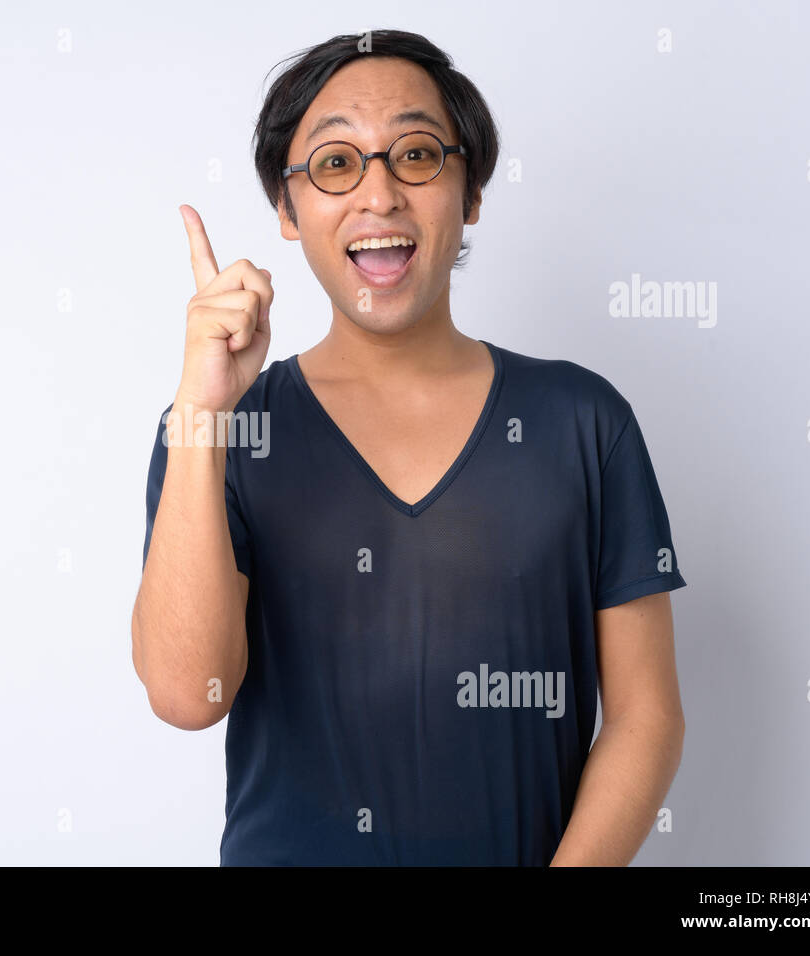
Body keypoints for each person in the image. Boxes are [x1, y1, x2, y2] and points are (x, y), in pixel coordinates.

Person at [131, 29, 688, 866]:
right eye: (335, 163)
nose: (380, 193)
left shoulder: (584, 420)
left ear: (469, 193)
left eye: (418, 154)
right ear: (287, 210)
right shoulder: (220, 429)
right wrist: (202, 416)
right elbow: (186, 695)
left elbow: (648, 717)